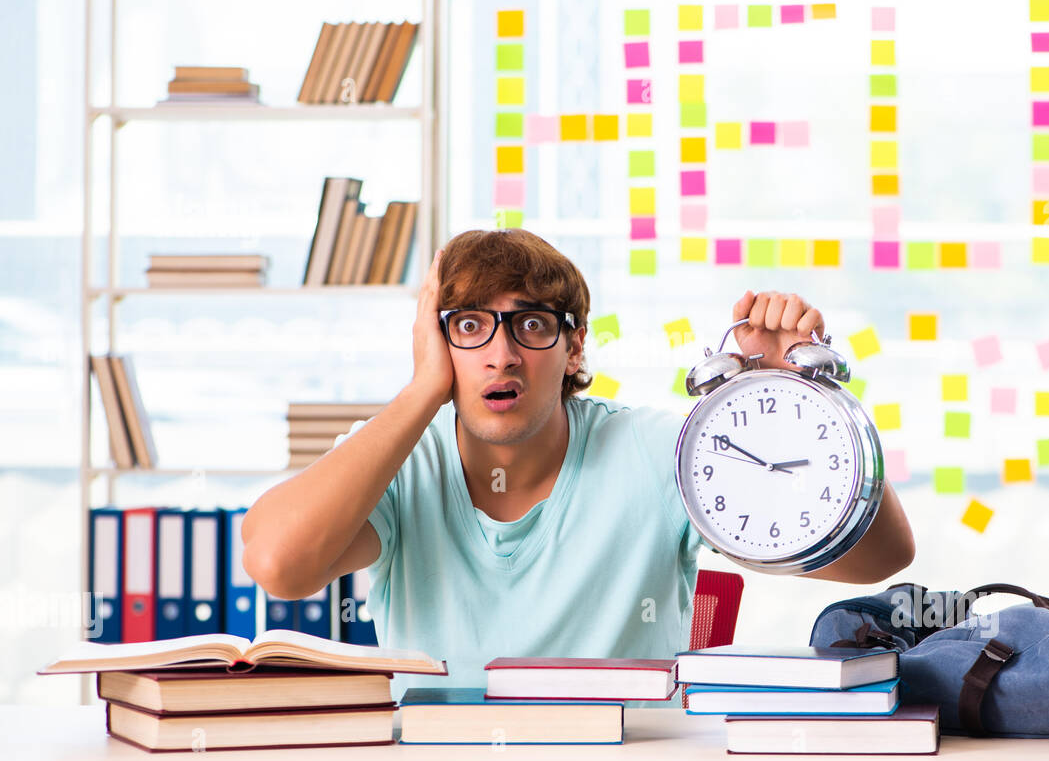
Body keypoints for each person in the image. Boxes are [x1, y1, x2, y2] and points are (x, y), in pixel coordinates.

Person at [241, 228, 915, 701]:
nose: (501, 354)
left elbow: (878, 555)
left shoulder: (663, 453)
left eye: (531, 324)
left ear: (574, 348)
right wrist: (422, 390)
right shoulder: (401, 462)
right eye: (470, 325)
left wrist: (801, 391)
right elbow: (278, 563)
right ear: (436, 341)